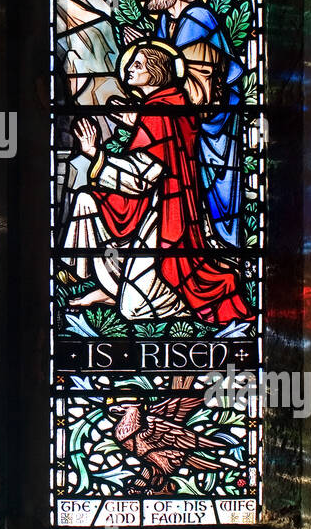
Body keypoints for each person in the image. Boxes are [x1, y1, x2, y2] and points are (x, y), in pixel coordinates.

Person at [62, 41, 250, 324]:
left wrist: (95, 154)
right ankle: (109, 286)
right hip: (150, 203)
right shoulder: (162, 106)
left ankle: (179, 299)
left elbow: (142, 177)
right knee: (87, 199)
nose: (129, 69)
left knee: (132, 310)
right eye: (130, 64)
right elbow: (158, 147)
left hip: (166, 212)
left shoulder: (161, 110)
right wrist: (135, 122)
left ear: (156, 71)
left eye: (138, 64)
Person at [144, 0, 244, 247]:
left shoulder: (199, 16)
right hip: (186, 116)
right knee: (188, 178)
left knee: (215, 183)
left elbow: (180, 63)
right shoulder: (165, 22)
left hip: (215, 116)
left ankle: (225, 244)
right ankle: (198, 238)